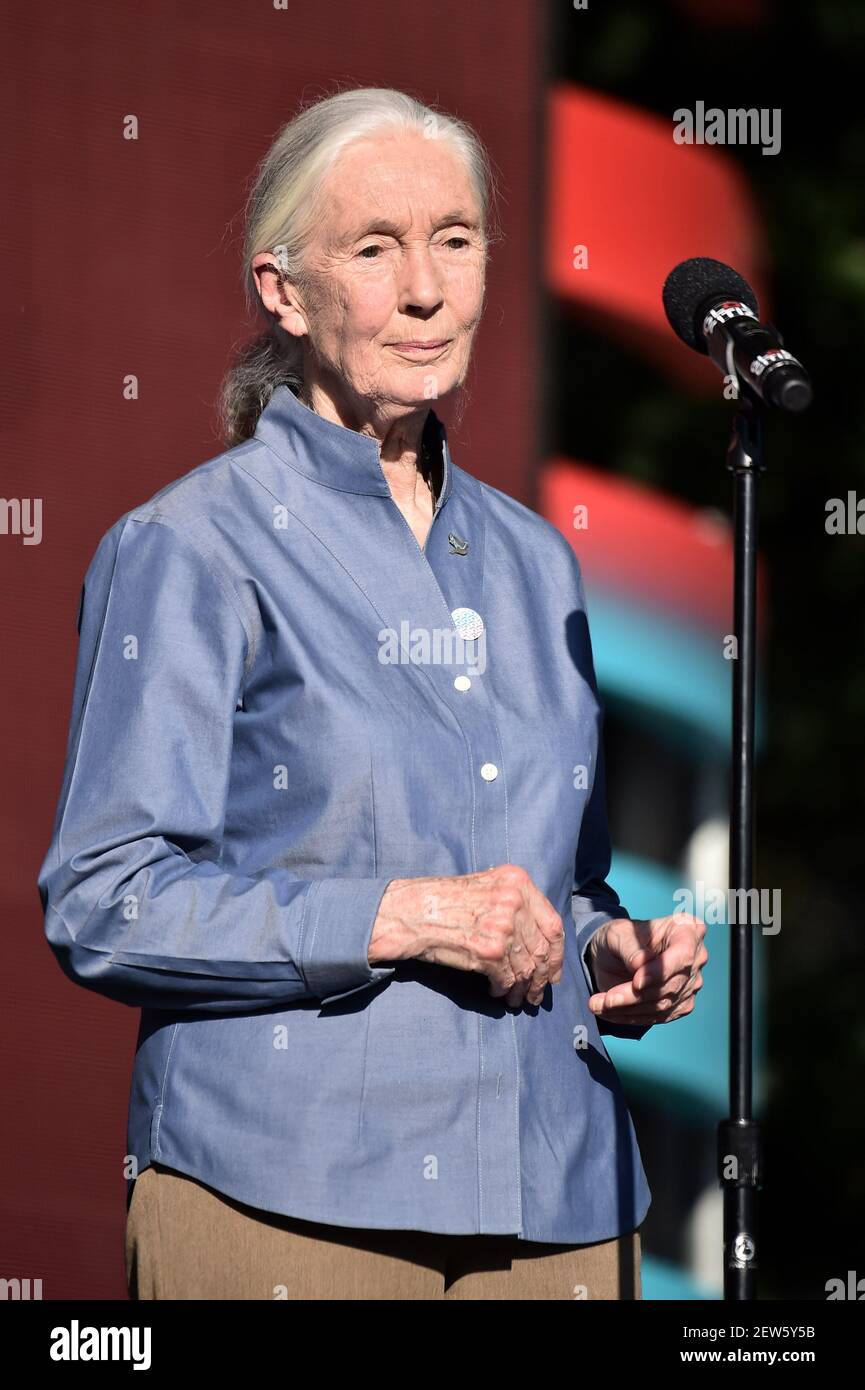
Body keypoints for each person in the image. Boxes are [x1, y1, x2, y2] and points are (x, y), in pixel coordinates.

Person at [37, 86, 707, 1301]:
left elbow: (558, 874)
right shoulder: (192, 545)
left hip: (556, 1196)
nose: (426, 287)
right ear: (283, 291)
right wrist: (399, 915)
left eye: (455, 239)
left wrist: (608, 947)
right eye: (375, 247)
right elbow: (105, 899)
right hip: (289, 1193)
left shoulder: (533, 560)